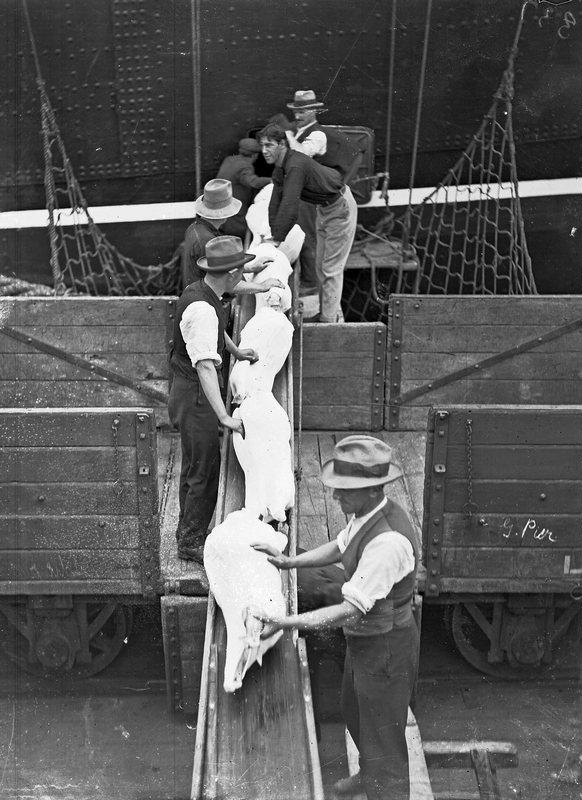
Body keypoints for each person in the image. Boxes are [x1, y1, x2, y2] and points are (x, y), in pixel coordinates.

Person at [252, 435, 420, 800]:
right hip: (365, 642)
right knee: (353, 709)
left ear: (373, 489)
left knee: (383, 736)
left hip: (386, 649)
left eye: (344, 490)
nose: (334, 497)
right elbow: (341, 545)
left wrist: (284, 622)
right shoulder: (366, 514)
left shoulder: (388, 542)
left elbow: (347, 611)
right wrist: (289, 561)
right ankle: (369, 774)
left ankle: (385, 789)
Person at [168, 235, 284, 562]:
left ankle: (187, 529)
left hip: (190, 390)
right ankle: (190, 542)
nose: (244, 274)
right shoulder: (203, 309)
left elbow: (215, 332)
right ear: (231, 273)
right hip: (195, 394)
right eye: (242, 270)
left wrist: (236, 351)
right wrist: (224, 417)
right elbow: (205, 365)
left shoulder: (203, 291)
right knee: (204, 467)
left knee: (196, 462)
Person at [258, 122, 358, 324]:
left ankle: (328, 321)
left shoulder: (295, 165)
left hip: (340, 208)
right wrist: (272, 235)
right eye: (262, 145)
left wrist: (277, 239)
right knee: (321, 266)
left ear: (282, 144)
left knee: (331, 270)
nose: (264, 151)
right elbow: (276, 202)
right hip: (324, 208)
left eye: (269, 145)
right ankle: (326, 314)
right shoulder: (281, 169)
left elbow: (290, 205)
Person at [179, 179, 242, 289]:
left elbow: (221, 267)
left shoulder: (194, 228)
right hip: (207, 298)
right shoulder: (208, 242)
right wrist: (262, 286)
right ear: (224, 214)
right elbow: (228, 284)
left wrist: (250, 268)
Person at [217, 138, 271, 239]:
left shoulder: (229, 159)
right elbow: (253, 182)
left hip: (221, 211)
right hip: (235, 216)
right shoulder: (245, 166)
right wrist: (272, 180)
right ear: (255, 155)